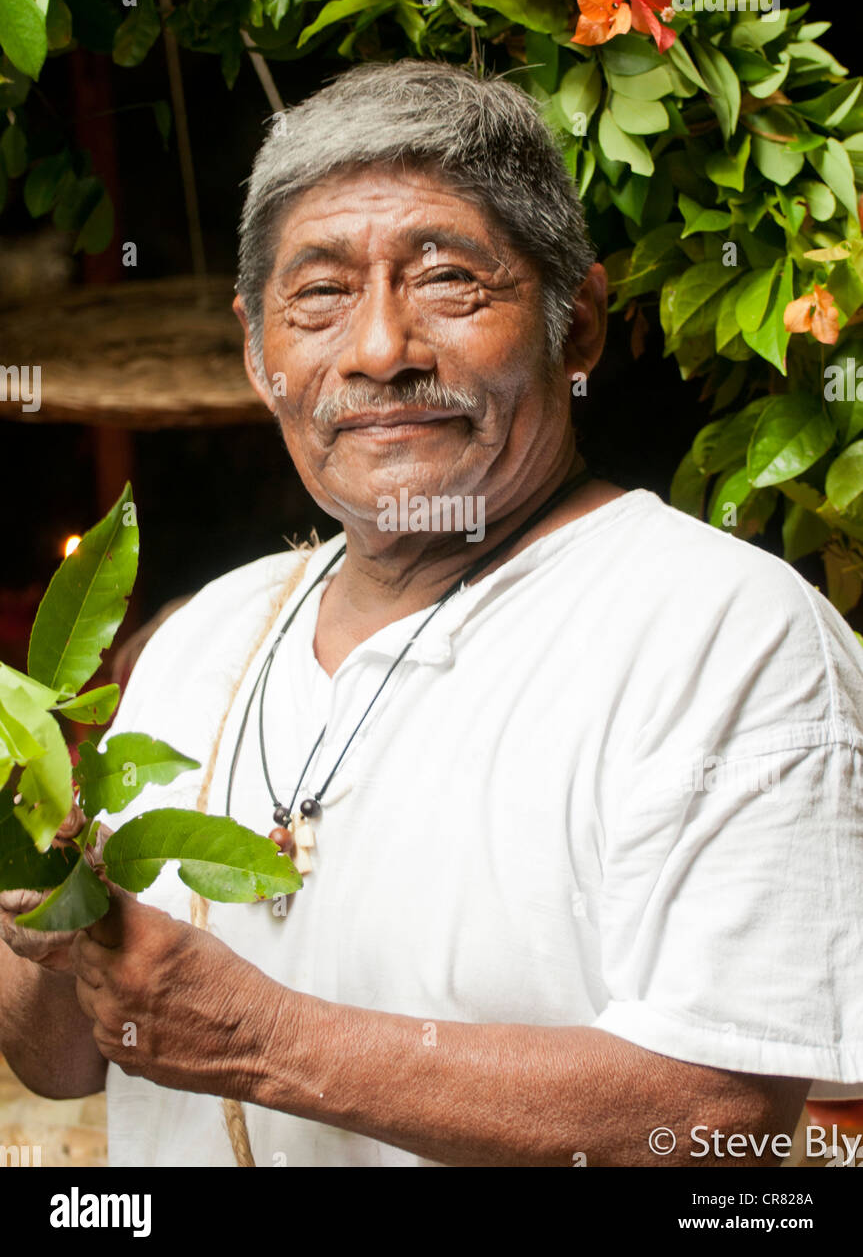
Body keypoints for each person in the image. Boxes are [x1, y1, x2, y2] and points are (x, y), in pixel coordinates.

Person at [2, 60, 862, 1169]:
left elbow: (716, 1120)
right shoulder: (204, 640)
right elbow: (62, 1058)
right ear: (258, 350)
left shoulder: (728, 636)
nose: (378, 350)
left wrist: (266, 1039)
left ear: (580, 322)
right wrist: (44, 907)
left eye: (450, 280)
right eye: (318, 294)